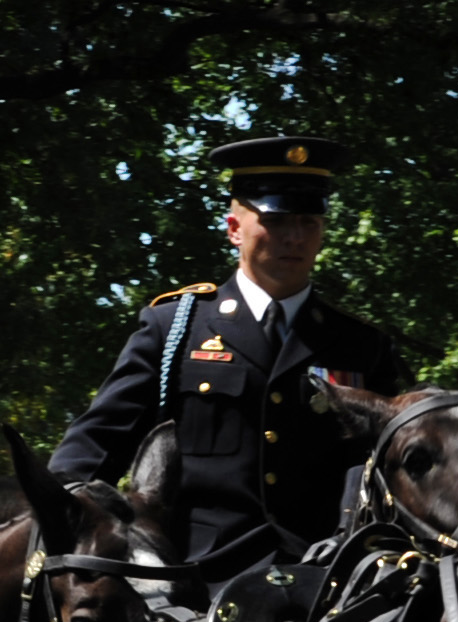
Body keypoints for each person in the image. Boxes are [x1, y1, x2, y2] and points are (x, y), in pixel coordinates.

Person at [48, 137, 414, 591]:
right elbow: (95, 446)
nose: (295, 237)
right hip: (192, 587)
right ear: (234, 229)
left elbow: (389, 467)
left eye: (309, 220)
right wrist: (53, 514)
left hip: (328, 585)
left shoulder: (359, 344)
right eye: (276, 221)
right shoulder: (174, 329)